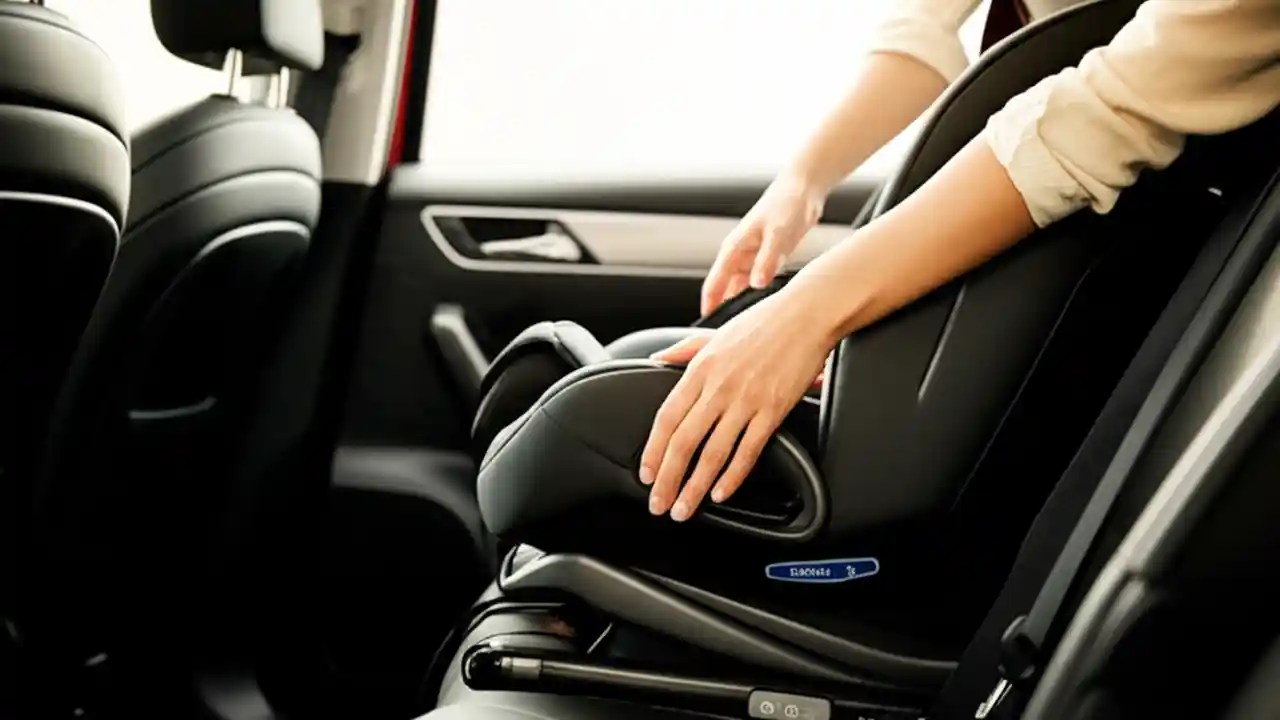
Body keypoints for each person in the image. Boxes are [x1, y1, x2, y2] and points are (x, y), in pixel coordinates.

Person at [640, 0, 1280, 523]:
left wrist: (805, 314)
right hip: (1033, 233)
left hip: (1109, 263)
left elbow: (1101, 117)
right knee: (649, 365)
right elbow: (924, 24)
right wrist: (803, 181)